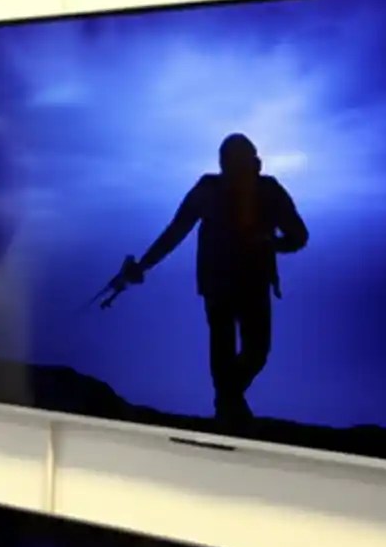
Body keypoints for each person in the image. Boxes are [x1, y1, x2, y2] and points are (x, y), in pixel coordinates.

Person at [115, 133, 309, 420]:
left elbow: (298, 236)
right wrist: (143, 265)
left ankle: (228, 398)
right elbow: (176, 231)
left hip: (249, 283)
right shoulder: (209, 189)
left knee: (254, 350)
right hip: (219, 283)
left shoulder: (268, 191)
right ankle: (229, 405)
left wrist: (269, 243)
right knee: (226, 347)